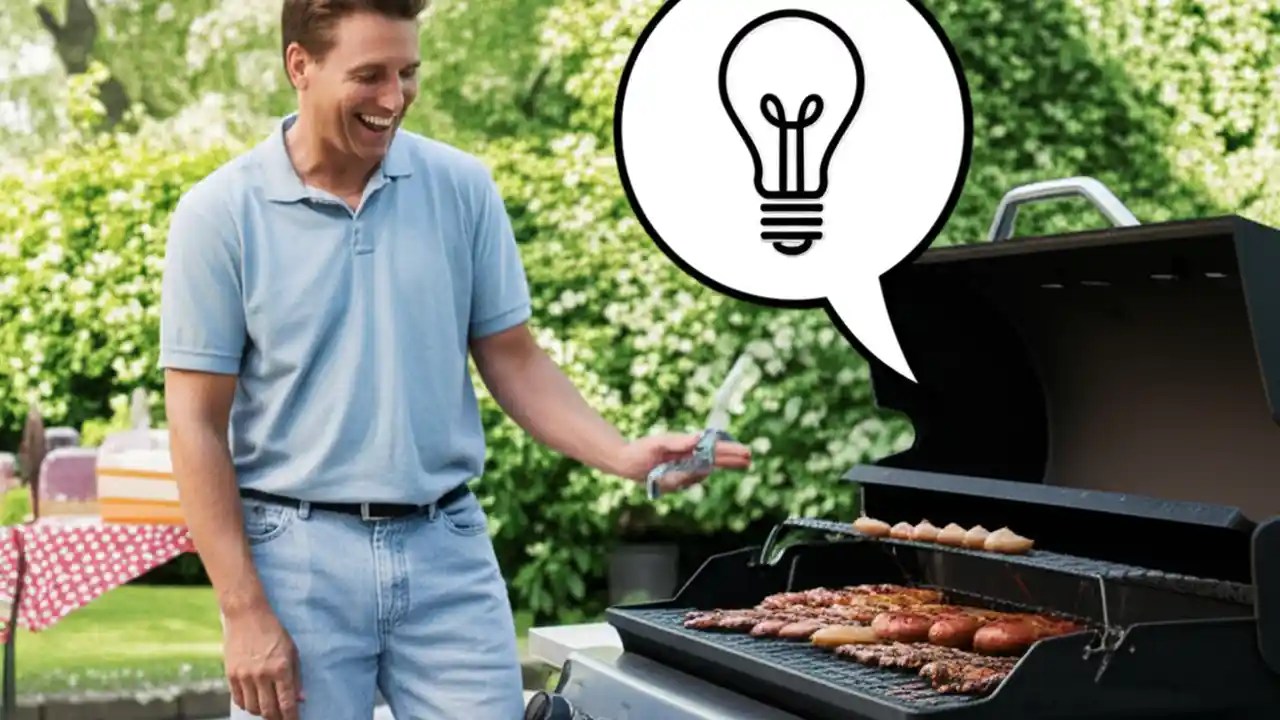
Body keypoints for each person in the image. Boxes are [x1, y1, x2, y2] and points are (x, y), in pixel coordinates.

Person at [157, 1, 751, 719]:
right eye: (369, 75)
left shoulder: (461, 188)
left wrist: (622, 454)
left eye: (408, 73)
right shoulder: (220, 213)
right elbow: (194, 424)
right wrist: (242, 610)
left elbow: (514, 360)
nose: (393, 99)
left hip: (447, 550)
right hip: (296, 559)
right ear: (299, 66)